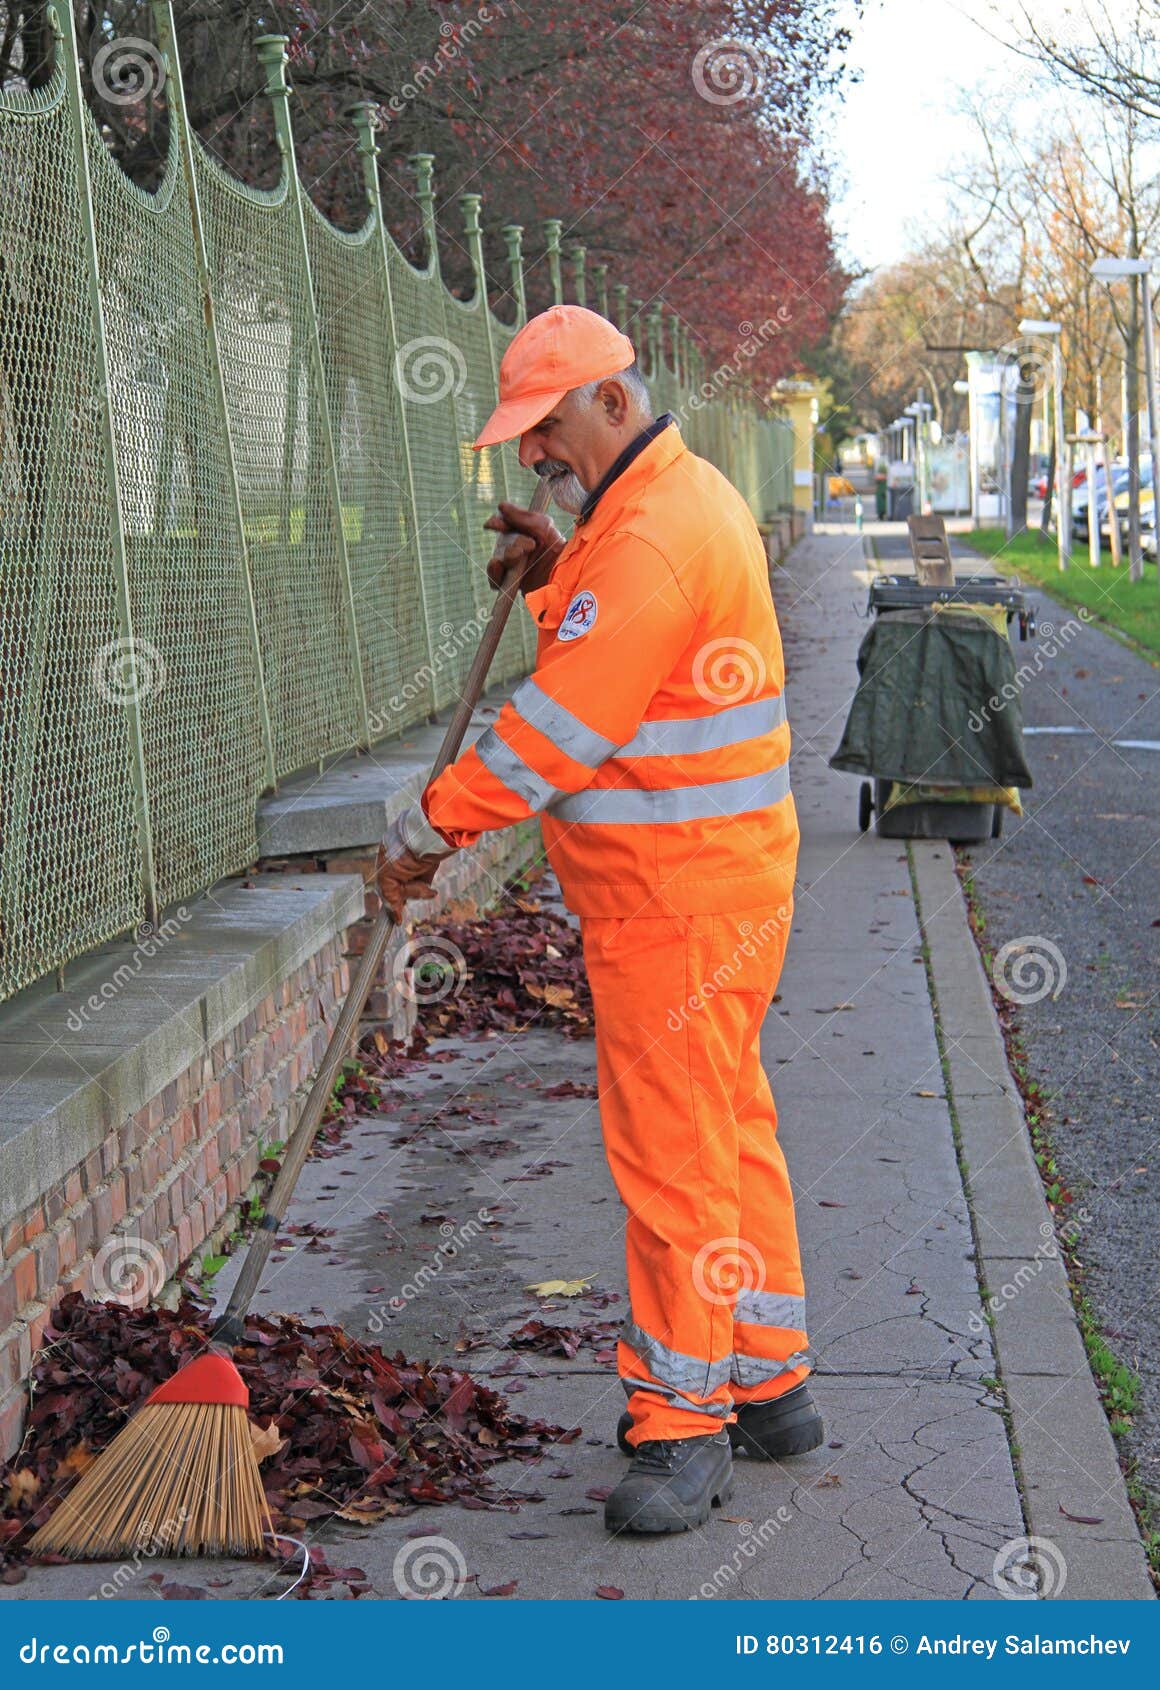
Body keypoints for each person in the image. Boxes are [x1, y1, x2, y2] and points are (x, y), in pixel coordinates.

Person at [377, 304, 822, 1535]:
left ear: (612, 404)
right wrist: (553, 566)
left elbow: (564, 729)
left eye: (545, 429)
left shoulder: (648, 543)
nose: (532, 457)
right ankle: (770, 1383)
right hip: (718, 885)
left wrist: (429, 828)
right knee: (726, 1128)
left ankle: (682, 1428)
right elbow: (620, 653)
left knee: (673, 1159)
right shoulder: (663, 510)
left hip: (671, 902)